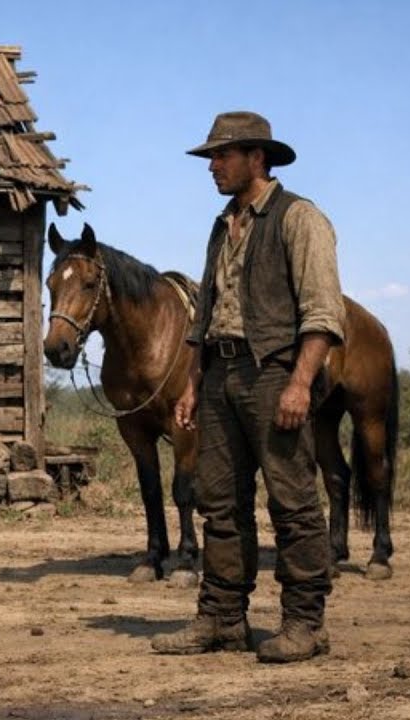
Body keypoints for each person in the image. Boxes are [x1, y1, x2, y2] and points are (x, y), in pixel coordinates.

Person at [152, 111, 346, 663]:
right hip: (219, 376)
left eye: (222, 156)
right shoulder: (222, 225)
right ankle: (221, 619)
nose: (212, 166)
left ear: (256, 158)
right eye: (211, 157)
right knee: (219, 503)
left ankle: (306, 623)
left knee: (293, 503)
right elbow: (205, 318)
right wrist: (192, 385)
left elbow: (322, 313)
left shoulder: (298, 218)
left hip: (274, 375)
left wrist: (299, 383)